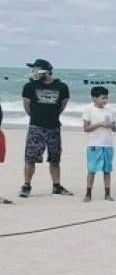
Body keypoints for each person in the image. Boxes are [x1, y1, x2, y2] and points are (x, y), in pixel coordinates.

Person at [18, 58, 73, 198]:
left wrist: (52, 116)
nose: (34, 72)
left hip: (54, 127)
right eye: (33, 69)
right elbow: (27, 107)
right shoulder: (29, 87)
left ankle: (56, 186)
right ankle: (26, 185)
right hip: (36, 126)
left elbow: (62, 106)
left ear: (47, 71)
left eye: (37, 69)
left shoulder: (62, 87)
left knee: (55, 158)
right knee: (30, 158)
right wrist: (38, 118)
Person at [81, 85, 116, 202]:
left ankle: (107, 193)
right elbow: (86, 128)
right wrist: (100, 124)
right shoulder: (89, 109)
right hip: (94, 144)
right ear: (94, 98)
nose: (105, 100)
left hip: (108, 144)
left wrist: (112, 126)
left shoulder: (110, 109)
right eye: (102, 98)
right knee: (92, 170)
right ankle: (88, 194)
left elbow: (114, 128)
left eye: (106, 98)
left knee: (107, 170)